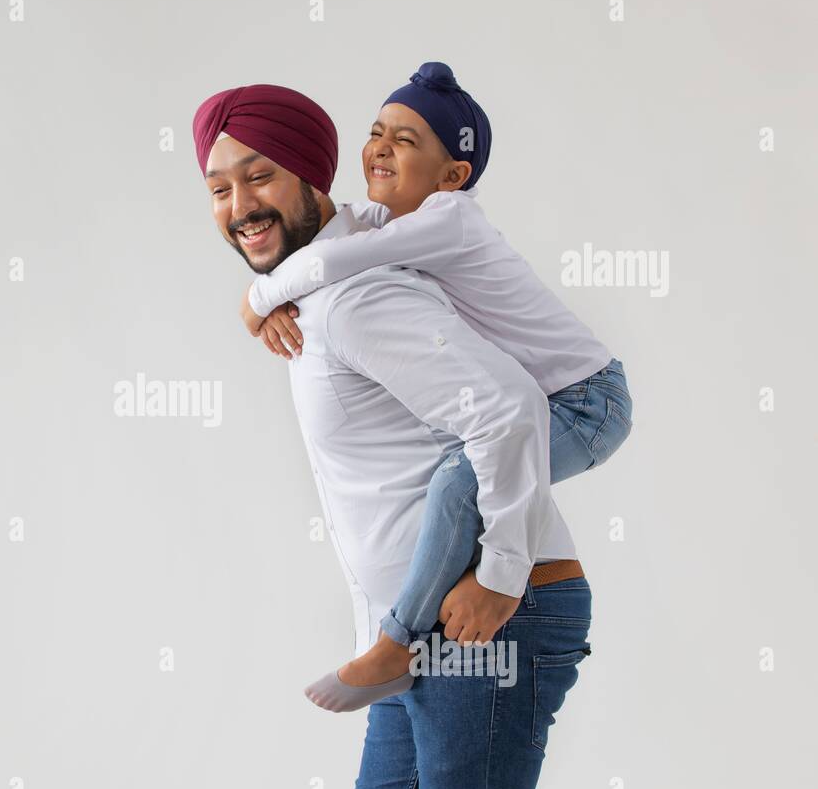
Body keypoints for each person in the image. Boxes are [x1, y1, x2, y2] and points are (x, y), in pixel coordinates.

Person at [194, 83, 594, 789]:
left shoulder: (357, 297)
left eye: (259, 176)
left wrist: (503, 578)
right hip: (420, 638)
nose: (240, 205)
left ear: (315, 178)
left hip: (484, 618)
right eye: (219, 189)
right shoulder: (321, 289)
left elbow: (508, 410)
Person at [232, 63, 632, 712]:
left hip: (588, 401)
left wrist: (257, 299)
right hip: (556, 398)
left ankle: (399, 640)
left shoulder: (450, 218)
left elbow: (331, 260)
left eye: (406, 140)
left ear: (453, 177)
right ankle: (396, 641)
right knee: (463, 474)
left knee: (458, 479)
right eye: (376, 132)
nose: (380, 148)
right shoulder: (389, 221)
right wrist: (276, 286)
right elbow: (331, 234)